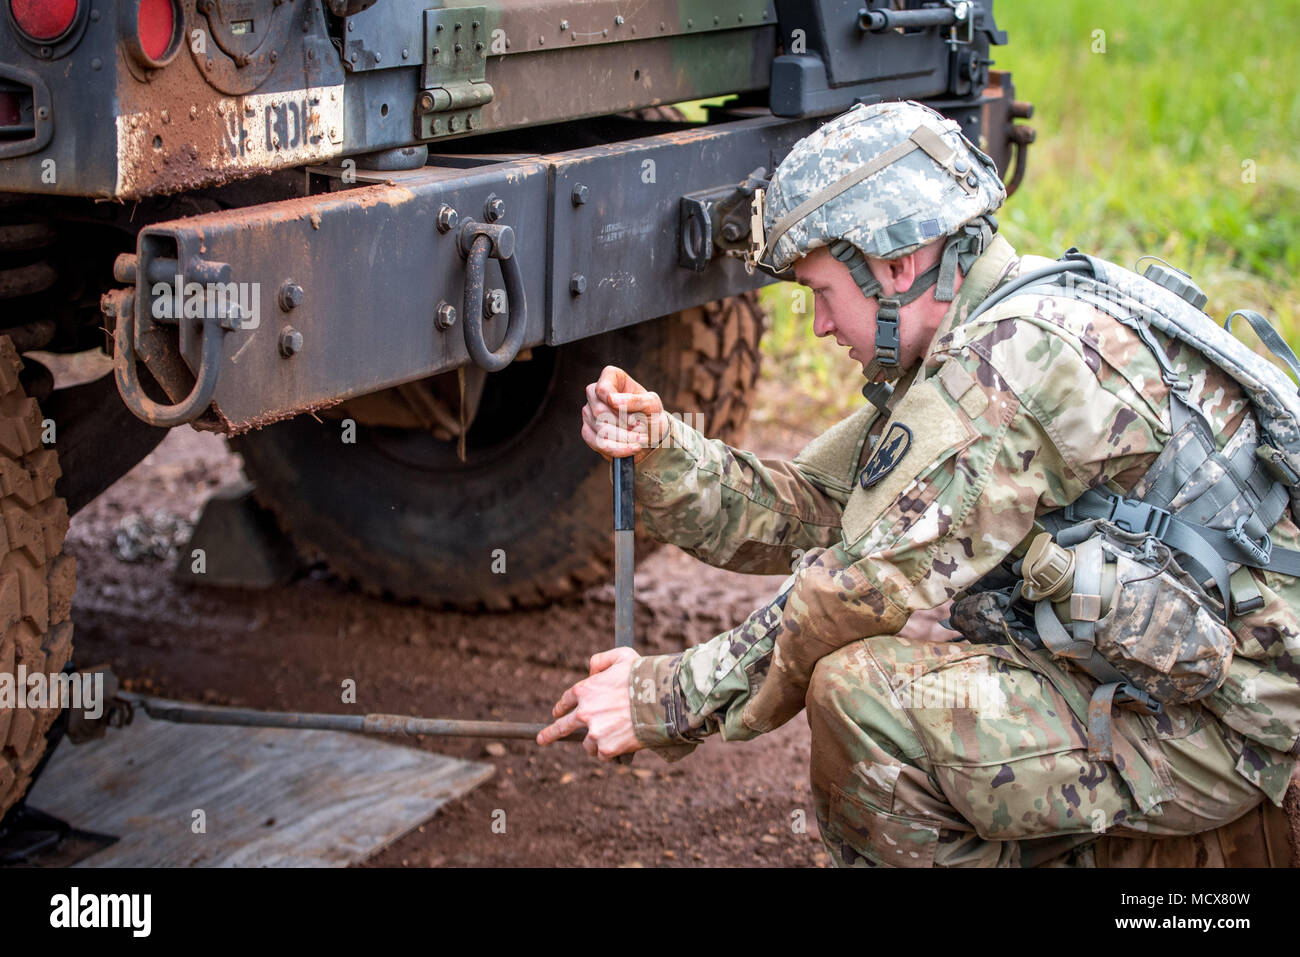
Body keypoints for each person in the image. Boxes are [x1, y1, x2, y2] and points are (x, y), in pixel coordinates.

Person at [537, 100, 1300, 867]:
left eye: (821, 293)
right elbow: (818, 508)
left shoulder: (1008, 372)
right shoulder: (984, 333)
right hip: (1177, 681)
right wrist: (663, 450)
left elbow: (851, 587)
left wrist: (663, 698)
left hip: (1231, 727)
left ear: (897, 265)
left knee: (864, 699)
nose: (820, 328)